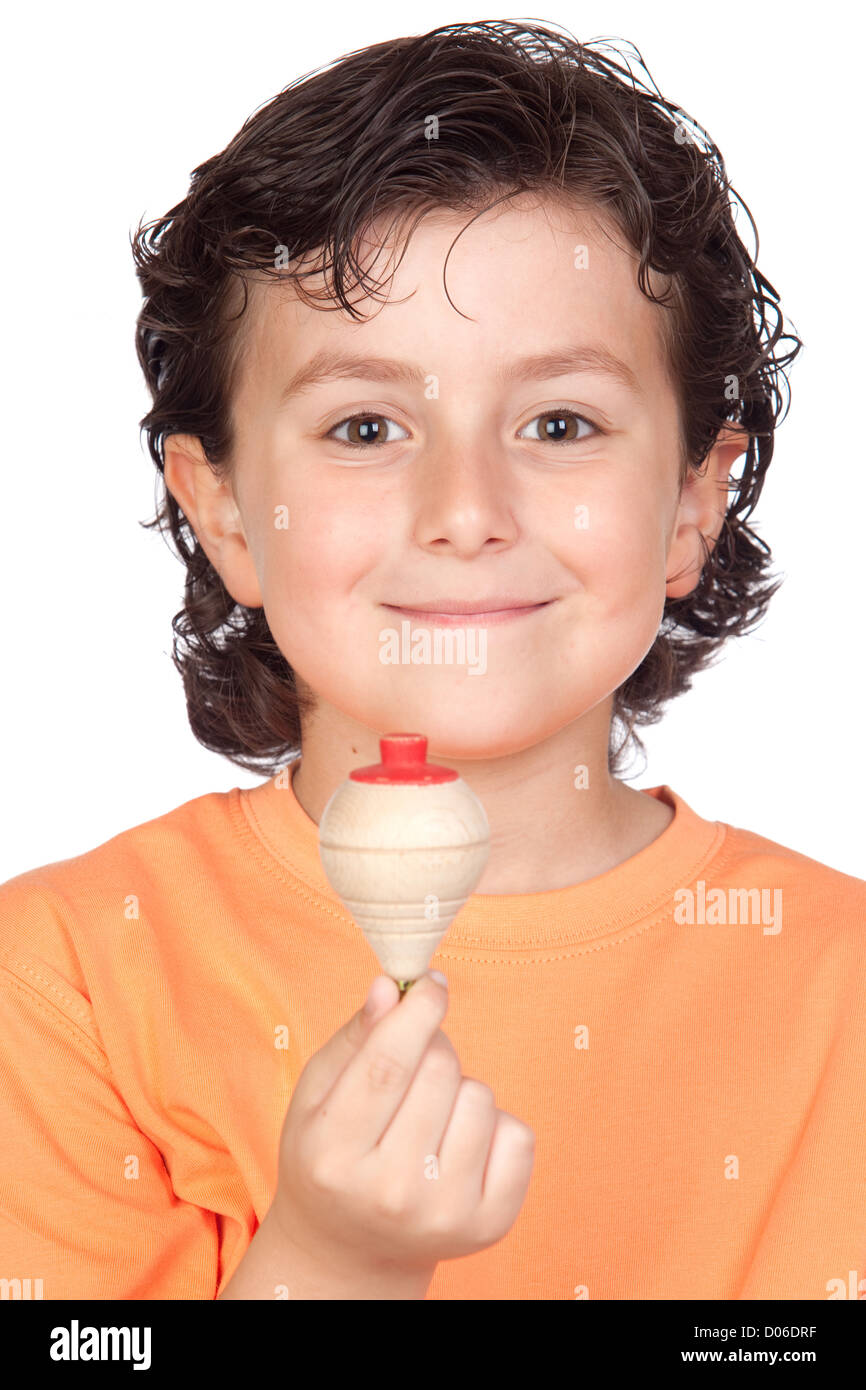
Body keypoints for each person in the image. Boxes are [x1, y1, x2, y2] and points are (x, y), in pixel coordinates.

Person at [1, 19, 863, 1302]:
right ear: (225, 510)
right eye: (365, 425)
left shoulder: (838, 988)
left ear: (692, 502)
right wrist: (329, 1262)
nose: (465, 508)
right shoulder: (62, 978)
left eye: (558, 422)